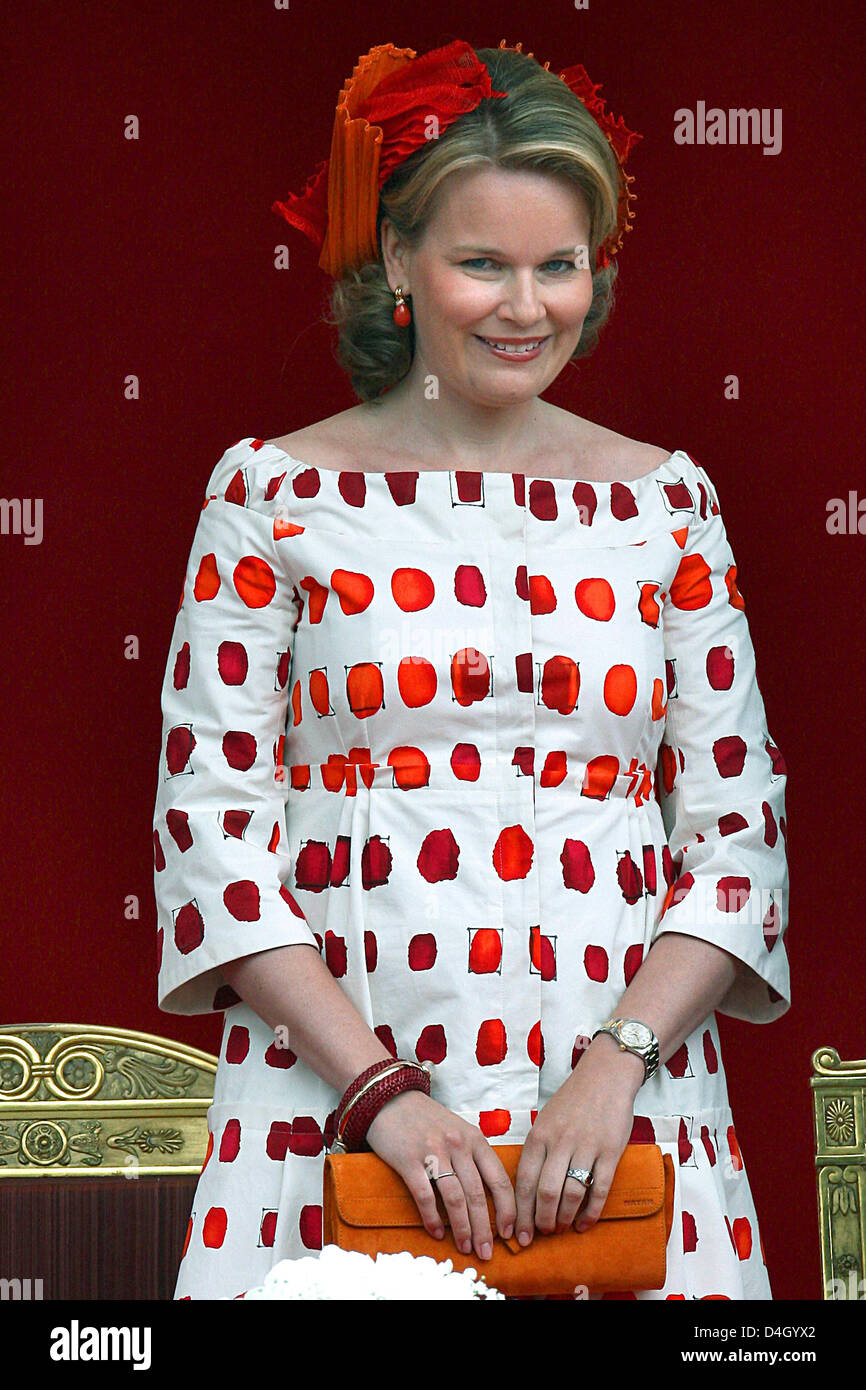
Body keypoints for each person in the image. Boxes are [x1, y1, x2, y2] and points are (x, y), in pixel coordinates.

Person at [152, 38, 790, 1301]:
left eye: (558, 267)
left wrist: (615, 1064)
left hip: (620, 1113)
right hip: (330, 1104)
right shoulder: (268, 495)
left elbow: (736, 836)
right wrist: (379, 1092)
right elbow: (211, 836)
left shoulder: (669, 504)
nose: (524, 306)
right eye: (480, 264)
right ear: (395, 260)